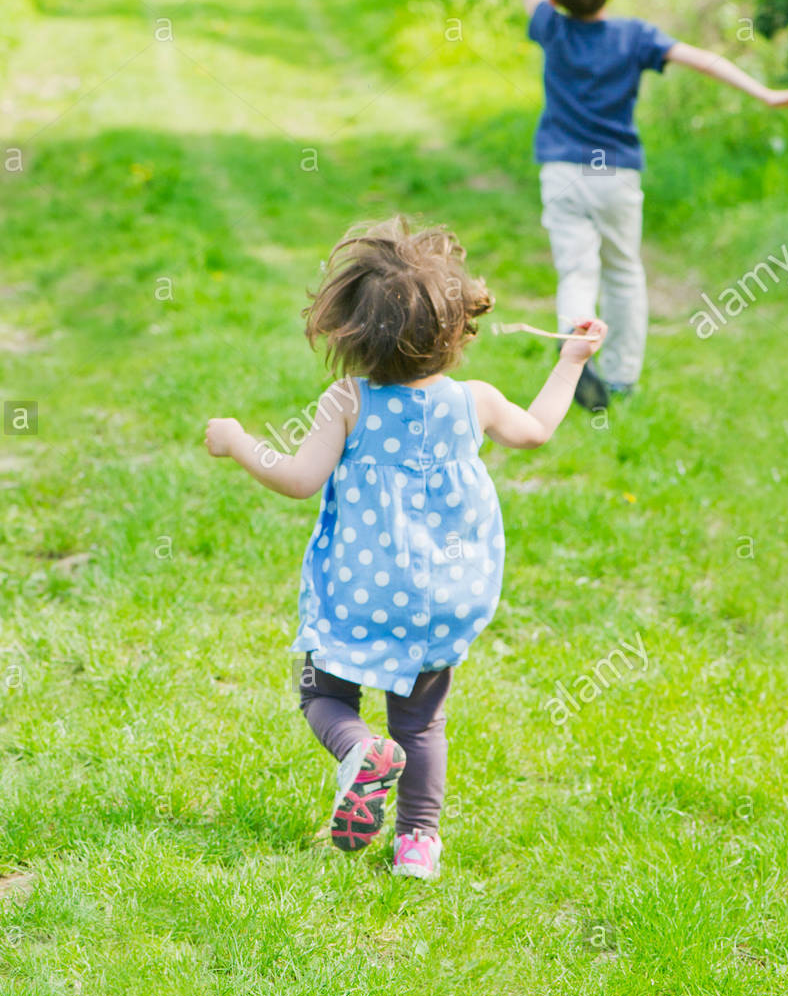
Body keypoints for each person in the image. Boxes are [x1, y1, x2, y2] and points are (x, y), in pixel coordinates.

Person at [205, 216, 607, 880]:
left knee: (323, 696)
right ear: (454, 331)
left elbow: (299, 479)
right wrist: (571, 362)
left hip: (362, 594)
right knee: (420, 725)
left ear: (354, 334)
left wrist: (237, 442)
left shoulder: (347, 401)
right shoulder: (474, 401)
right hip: (444, 596)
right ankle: (417, 844)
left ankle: (358, 750)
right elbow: (536, 430)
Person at [509, 0, 788, 409]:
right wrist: (766, 93)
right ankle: (621, 377)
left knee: (576, 269)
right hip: (616, 175)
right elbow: (706, 60)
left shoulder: (550, 28)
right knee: (624, 271)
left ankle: (574, 344)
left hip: (561, 171)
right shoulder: (635, 37)